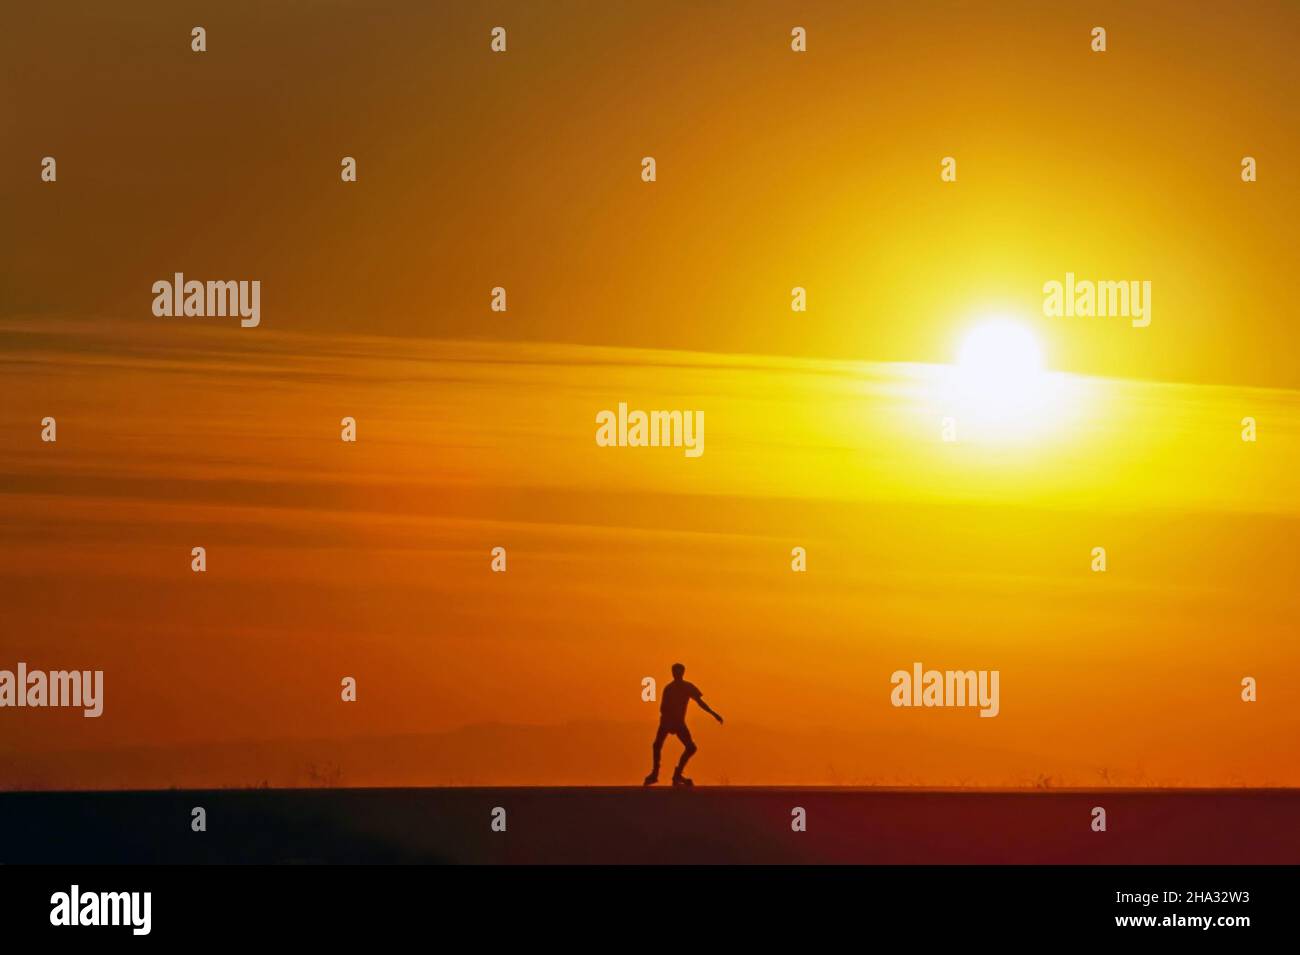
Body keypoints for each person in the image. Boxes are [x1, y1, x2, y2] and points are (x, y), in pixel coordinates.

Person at [643, 663, 723, 787]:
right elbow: (662, 708)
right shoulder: (669, 688)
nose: (676, 674)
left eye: (678, 672)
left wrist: (713, 713)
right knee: (657, 745)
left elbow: (700, 702)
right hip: (668, 721)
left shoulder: (687, 687)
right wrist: (670, 722)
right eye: (675, 672)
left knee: (690, 748)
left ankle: (676, 774)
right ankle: (656, 774)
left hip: (677, 722)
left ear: (682, 673)